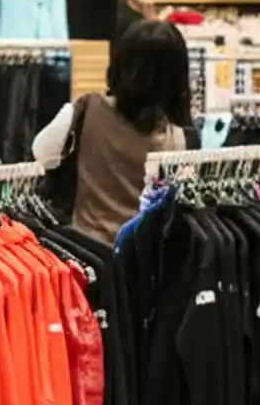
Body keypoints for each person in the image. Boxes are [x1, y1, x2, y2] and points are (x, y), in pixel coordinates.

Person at [32, 19, 198, 244]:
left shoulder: (86, 109)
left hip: (85, 250)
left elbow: (42, 153)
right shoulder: (177, 137)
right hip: (140, 259)